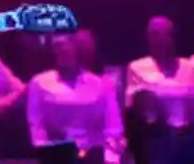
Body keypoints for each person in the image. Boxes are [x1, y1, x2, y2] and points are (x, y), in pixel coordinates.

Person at [26, 34, 122, 164]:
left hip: (93, 154)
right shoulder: (39, 83)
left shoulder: (102, 85)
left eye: (68, 49)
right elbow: (36, 125)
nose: (63, 52)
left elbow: (113, 128)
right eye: (59, 49)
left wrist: (111, 159)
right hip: (57, 153)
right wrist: (44, 153)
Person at [123, 16, 194, 164]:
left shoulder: (189, 67)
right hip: (157, 142)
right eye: (153, 34)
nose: (158, 39)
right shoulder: (137, 67)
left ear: (172, 37)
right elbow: (137, 106)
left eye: (163, 34)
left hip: (188, 141)